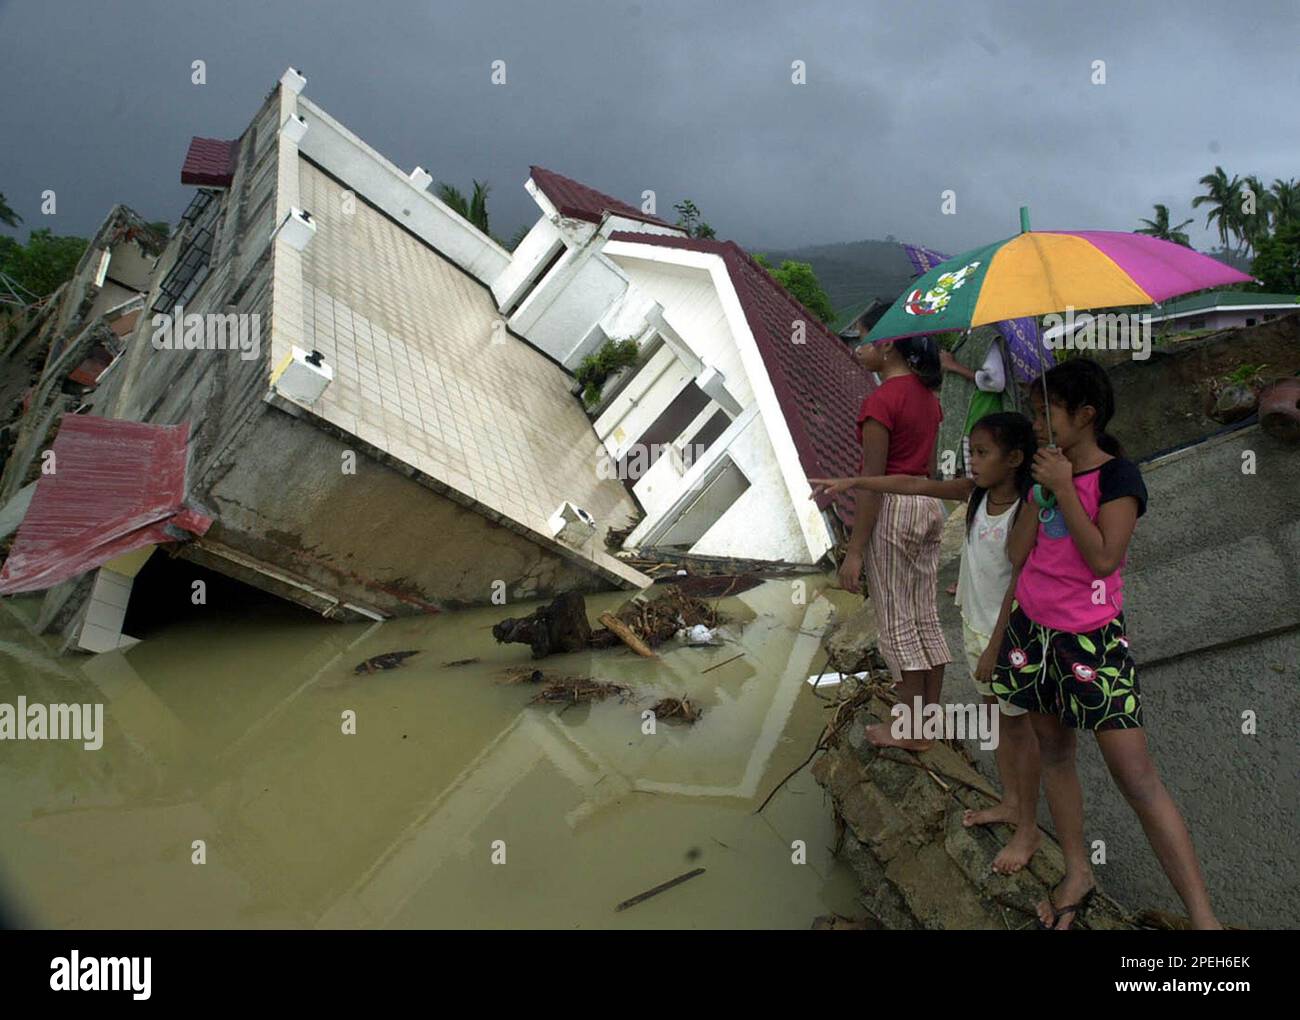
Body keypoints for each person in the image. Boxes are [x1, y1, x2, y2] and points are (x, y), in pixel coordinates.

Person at [978, 358, 1220, 929]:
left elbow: (1104, 558)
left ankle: (1204, 920)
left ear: (1085, 415)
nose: (1037, 423)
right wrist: (1040, 496)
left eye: (1047, 412)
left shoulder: (1119, 478)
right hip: (1033, 633)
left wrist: (1065, 489)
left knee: (1136, 778)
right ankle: (1078, 869)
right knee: (1055, 754)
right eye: (1035, 412)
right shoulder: (1044, 476)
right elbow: (1017, 557)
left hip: (1091, 643)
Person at [812, 412, 1043, 873]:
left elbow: (1019, 580)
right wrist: (852, 481)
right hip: (977, 627)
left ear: (1015, 459)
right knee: (998, 722)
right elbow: (913, 485)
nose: (971, 462)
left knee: (1022, 729)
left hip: (1010, 634)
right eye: (970, 452)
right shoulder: (974, 496)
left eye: (982, 453)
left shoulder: (1027, 507)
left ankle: (1028, 828)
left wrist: (998, 644)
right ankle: (1011, 802)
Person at [838, 336, 948, 750]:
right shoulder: (927, 398)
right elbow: (932, 468)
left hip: (895, 510)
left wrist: (855, 550)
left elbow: (872, 483)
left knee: (897, 623)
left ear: (887, 347)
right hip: (927, 504)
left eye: (865, 340)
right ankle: (927, 723)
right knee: (925, 617)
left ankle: (911, 730)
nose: (858, 348)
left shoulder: (882, 401)